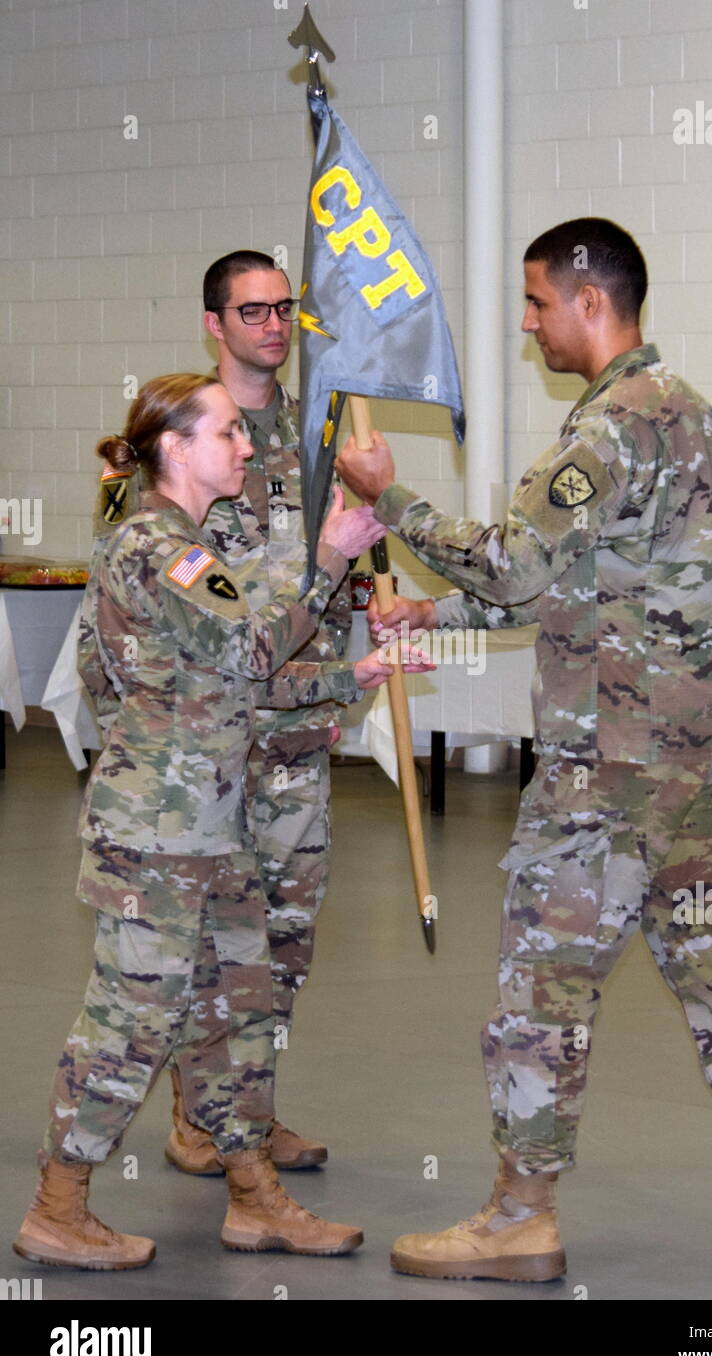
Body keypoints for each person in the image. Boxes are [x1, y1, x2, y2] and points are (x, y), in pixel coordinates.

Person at [336, 218, 712, 1283]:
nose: (528, 323)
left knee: (542, 987)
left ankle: (521, 1217)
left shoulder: (605, 430)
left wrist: (392, 499)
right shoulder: (689, 412)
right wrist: (441, 628)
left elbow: (514, 569)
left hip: (612, 770)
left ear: (588, 299)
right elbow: (600, 586)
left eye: (534, 303)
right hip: (711, 760)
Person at [13, 372, 414, 1270]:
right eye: (228, 434)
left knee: (237, 1012)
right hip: (160, 837)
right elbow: (253, 645)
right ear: (175, 449)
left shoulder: (186, 545)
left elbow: (233, 678)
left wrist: (347, 682)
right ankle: (58, 1203)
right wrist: (333, 558)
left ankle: (254, 1198)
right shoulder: (163, 549)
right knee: (132, 1021)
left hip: (212, 825)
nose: (245, 447)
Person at [83, 250, 360, 1178]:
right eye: (253, 311)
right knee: (192, 957)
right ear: (215, 323)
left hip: (292, 734)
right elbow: (113, 628)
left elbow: (330, 580)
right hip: (202, 754)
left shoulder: (318, 439)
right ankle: (197, 1122)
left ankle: (250, 1112)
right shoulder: (178, 439)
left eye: (286, 308)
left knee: (273, 951)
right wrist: (155, 743)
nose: (274, 324)